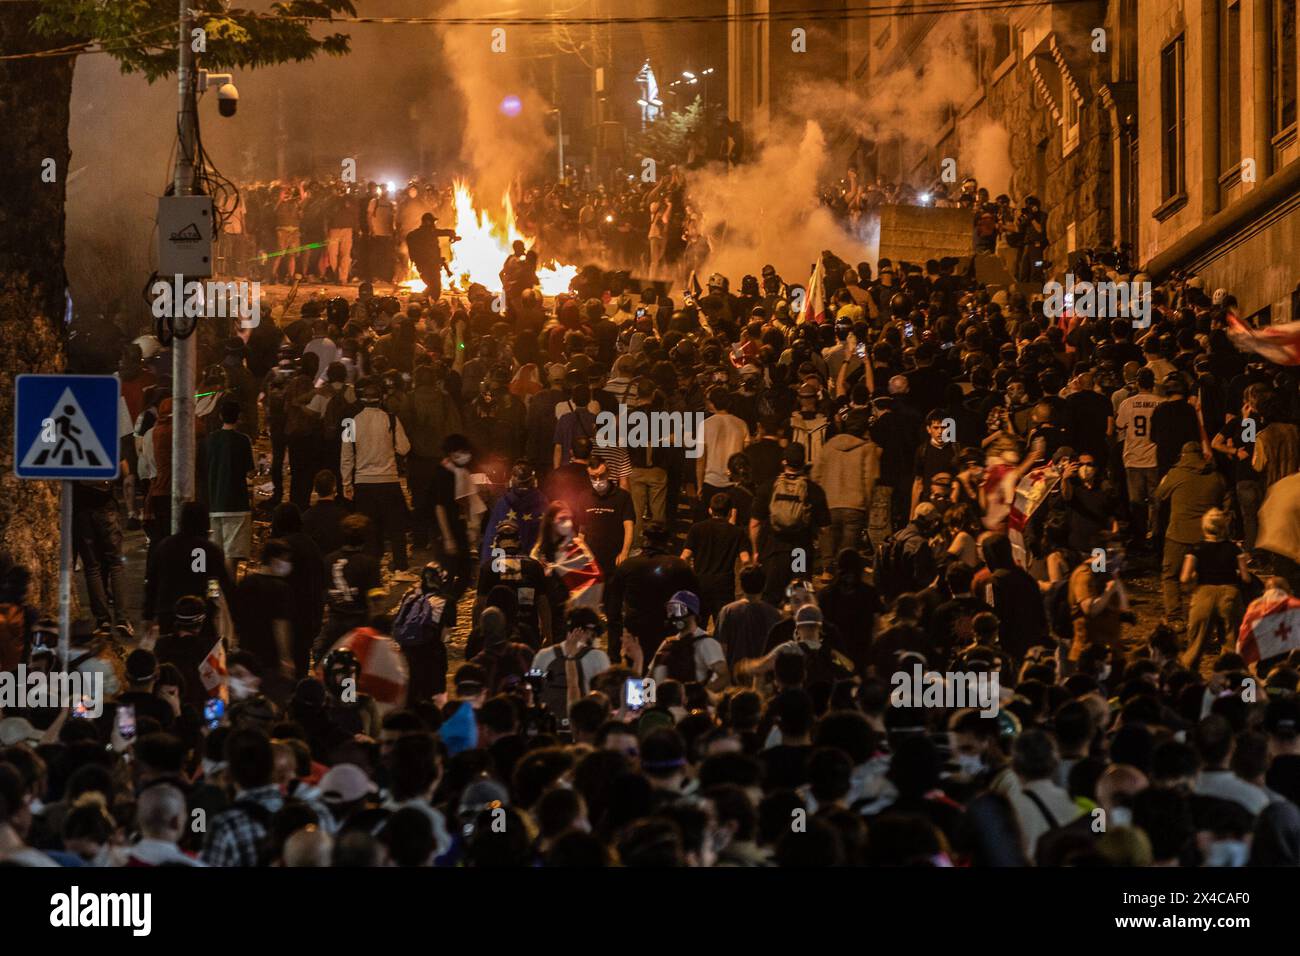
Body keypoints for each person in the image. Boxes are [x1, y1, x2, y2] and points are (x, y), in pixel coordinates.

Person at [342, 379, 413, 579]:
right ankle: (400, 567)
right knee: (396, 527)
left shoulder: (350, 423)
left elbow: (346, 456)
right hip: (388, 479)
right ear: (381, 399)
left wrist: (347, 483)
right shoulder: (391, 420)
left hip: (363, 482)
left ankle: (370, 570)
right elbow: (404, 447)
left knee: (368, 529)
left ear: (361, 400)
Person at [1155, 441, 1227, 628]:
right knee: (1206, 579)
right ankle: (1206, 617)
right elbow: (1227, 501)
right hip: (1207, 537)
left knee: (1170, 575)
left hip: (1178, 535)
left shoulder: (1176, 474)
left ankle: (1175, 617)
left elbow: (1158, 496)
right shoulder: (1216, 477)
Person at [750, 443, 830, 605]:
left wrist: (756, 551)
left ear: (784, 462)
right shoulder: (812, 489)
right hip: (800, 550)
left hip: (774, 551)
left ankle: (772, 628)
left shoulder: (769, 486)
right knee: (799, 599)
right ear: (803, 463)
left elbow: (754, 524)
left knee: (770, 600)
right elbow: (825, 529)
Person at [1179, 508, 1250, 670]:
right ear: (1224, 527)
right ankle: (1230, 677)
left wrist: (1193, 582)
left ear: (1204, 526)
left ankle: (1188, 677)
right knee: (1232, 640)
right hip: (1229, 594)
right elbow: (1246, 578)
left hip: (1204, 593)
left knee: (1196, 643)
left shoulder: (1196, 549)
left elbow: (1184, 577)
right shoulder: (1234, 549)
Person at [681, 493, 752, 626]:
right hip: (724, 586)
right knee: (723, 627)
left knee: (697, 627)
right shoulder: (737, 532)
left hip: (700, 583)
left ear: (710, 510)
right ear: (730, 512)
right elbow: (746, 560)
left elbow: (685, 556)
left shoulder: (697, 528)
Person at [206, 399, 256, 579]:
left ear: (220, 416)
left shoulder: (210, 439)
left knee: (215, 555)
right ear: (239, 417)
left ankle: (214, 592)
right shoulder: (243, 440)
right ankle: (228, 592)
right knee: (231, 555)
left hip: (214, 502)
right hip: (237, 504)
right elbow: (250, 472)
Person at [649, 592, 729, 691]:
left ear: (693, 614)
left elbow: (724, 677)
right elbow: (649, 679)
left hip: (693, 705)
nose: (674, 615)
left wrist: (699, 697)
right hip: (664, 705)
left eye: (679, 610)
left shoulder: (706, 643)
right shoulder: (668, 644)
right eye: (671, 610)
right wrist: (649, 703)